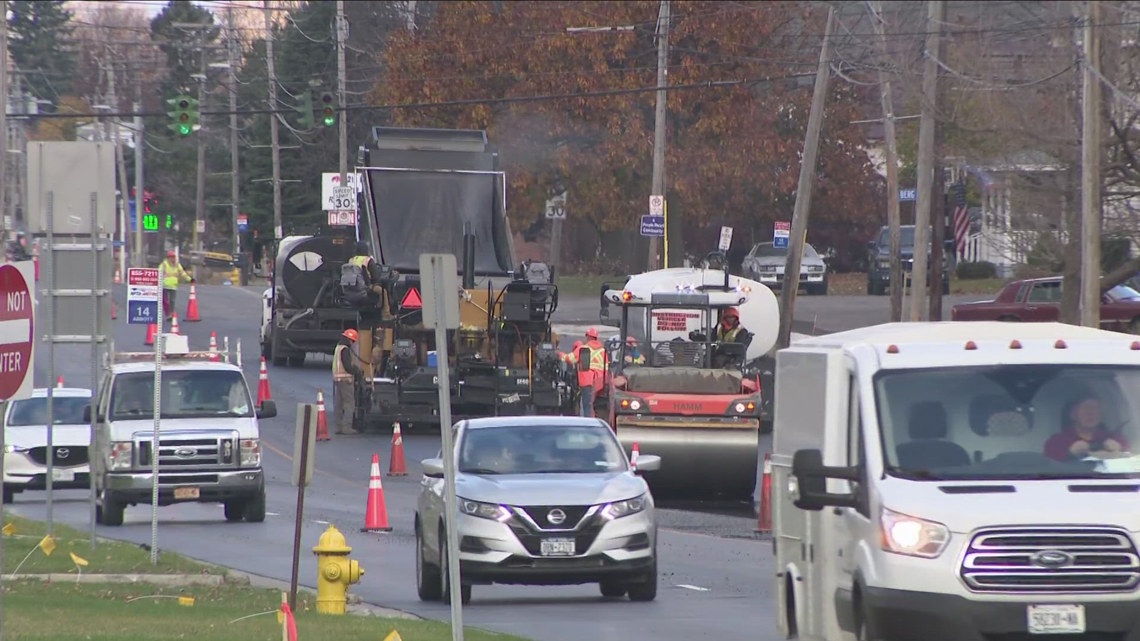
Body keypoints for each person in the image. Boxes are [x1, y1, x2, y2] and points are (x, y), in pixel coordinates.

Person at [1044, 393, 1130, 461]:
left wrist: (1120, 448)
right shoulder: (1057, 441)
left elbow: (1131, 453)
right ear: (1072, 414)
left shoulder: (1112, 437)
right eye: (1085, 408)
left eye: (1095, 409)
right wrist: (1069, 453)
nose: (1091, 413)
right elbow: (1048, 464)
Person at [340, 241, 397, 311]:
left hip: (350, 291)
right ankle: (385, 314)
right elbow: (376, 277)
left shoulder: (351, 260)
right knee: (383, 291)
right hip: (365, 288)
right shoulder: (367, 260)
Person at [332, 329, 364, 435]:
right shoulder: (345, 350)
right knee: (350, 403)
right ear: (349, 340)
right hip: (345, 380)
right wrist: (356, 371)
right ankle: (347, 427)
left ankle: (338, 427)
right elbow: (347, 366)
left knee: (338, 404)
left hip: (338, 379)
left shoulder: (338, 348)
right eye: (353, 341)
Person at [576, 328, 606, 417]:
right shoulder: (603, 351)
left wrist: (559, 354)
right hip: (601, 382)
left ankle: (588, 424)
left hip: (587, 382)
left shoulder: (583, 349)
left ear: (588, 337)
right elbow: (607, 367)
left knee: (587, 406)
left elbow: (571, 358)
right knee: (597, 406)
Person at [160, 250, 193, 321]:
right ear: (168, 258)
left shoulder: (177, 265)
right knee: (166, 301)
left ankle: (171, 314)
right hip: (164, 286)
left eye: (173, 257)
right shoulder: (164, 265)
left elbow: (182, 273)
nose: (172, 259)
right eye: (171, 257)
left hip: (173, 286)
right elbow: (159, 273)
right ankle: (168, 314)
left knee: (172, 301)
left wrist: (190, 279)